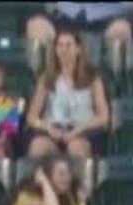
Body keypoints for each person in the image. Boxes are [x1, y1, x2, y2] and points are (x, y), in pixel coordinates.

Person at [25, 30, 111, 159]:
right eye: (60, 45)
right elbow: (32, 118)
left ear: (78, 49)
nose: (64, 50)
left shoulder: (93, 78)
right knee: (38, 146)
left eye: (68, 45)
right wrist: (48, 128)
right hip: (53, 130)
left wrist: (79, 130)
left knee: (76, 147)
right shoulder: (46, 78)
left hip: (83, 131)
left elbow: (103, 117)